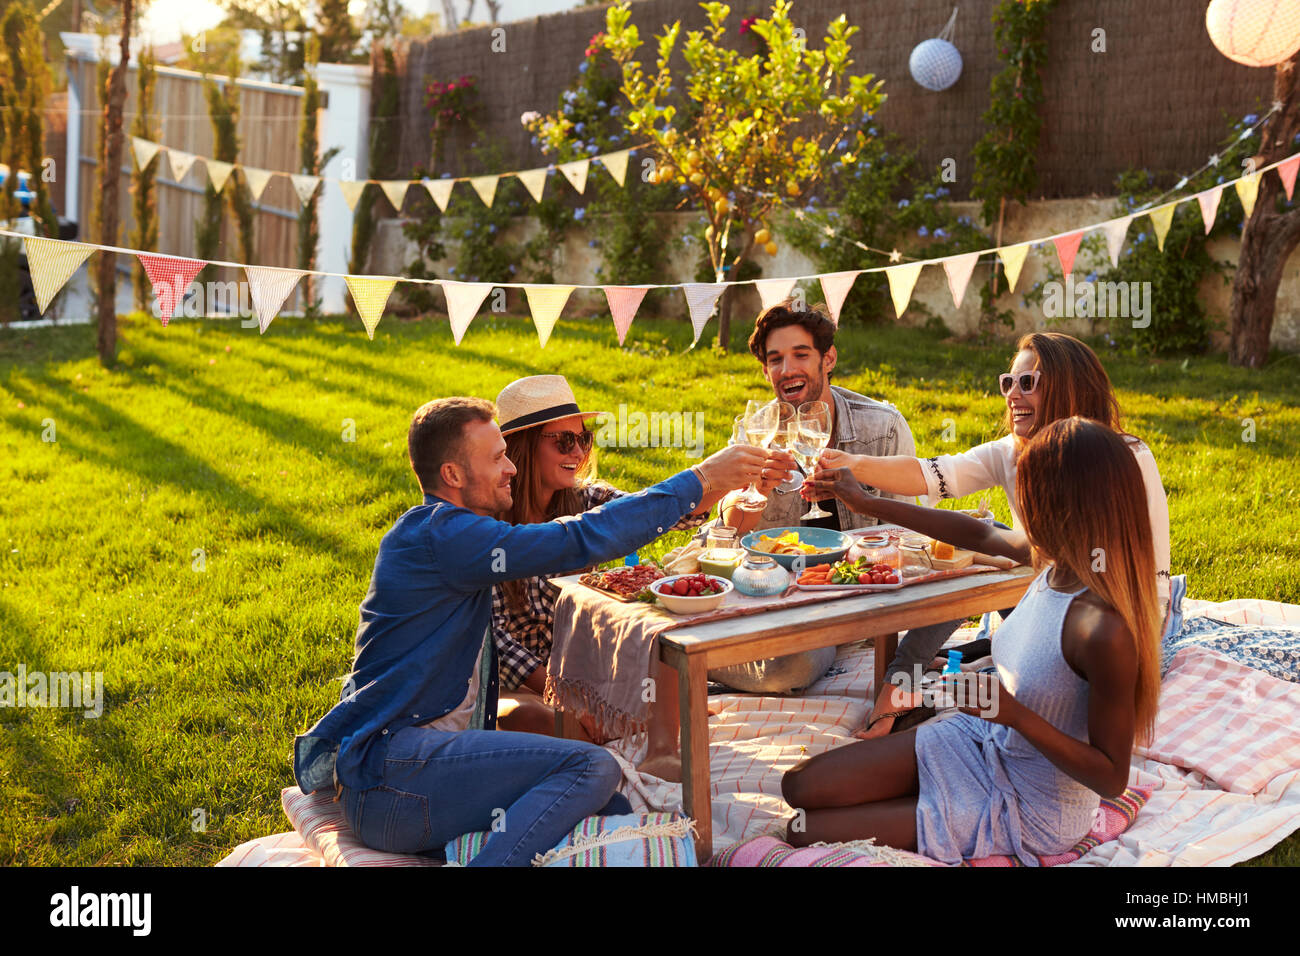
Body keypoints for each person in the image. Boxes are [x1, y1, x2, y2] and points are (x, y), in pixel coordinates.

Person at [292, 396, 775, 866]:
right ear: (453, 475)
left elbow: (612, 521)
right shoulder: (440, 534)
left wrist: (715, 492)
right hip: (392, 779)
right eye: (498, 457)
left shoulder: (456, 531)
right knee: (594, 767)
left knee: (614, 808)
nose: (510, 469)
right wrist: (701, 477)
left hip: (417, 783)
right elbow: (578, 539)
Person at [783, 418, 1162, 865]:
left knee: (803, 831)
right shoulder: (1053, 560)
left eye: (1031, 492)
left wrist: (1015, 715)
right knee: (799, 787)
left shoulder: (1104, 628)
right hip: (982, 740)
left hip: (1034, 805)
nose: (1020, 503)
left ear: (1068, 506)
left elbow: (1111, 778)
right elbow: (977, 532)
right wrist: (864, 500)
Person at [813, 331, 1171, 737]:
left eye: (1028, 382)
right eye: (1008, 382)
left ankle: (923, 676)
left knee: (978, 548)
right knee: (960, 547)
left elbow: (1147, 584)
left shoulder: (1124, 461)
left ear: (1069, 388)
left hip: (1101, 623)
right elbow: (939, 480)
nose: (1012, 395)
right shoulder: (1014, 450)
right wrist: (855, 470)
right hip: (1044, 593)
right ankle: (908, 679)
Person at [490, 374, 749, 781]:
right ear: (522, 449)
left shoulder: (586, 498)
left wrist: (732, 482)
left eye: (583, 439)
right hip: (525, 683)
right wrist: (564, 700)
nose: (577, 451)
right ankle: (632, 729)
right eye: (563, 441)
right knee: (531, 718)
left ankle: (657, 746)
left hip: (585, 668)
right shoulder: (489, 524)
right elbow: (498, 644)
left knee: (655, 619)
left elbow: (662, 513)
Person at [698, 300, 917, 693]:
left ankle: (689, 665)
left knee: (798, 666)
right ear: (765, 370)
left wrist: (856, 505)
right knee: (789, 655)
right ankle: (686, 656)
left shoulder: (882, 428)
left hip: (854, 599)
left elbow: (910, 535)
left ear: (828, 359)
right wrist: (756, 493)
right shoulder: (756, 433)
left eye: (801, 355)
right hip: (773, 597)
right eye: (775, 359)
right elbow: (726, 535)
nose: (787, 370)